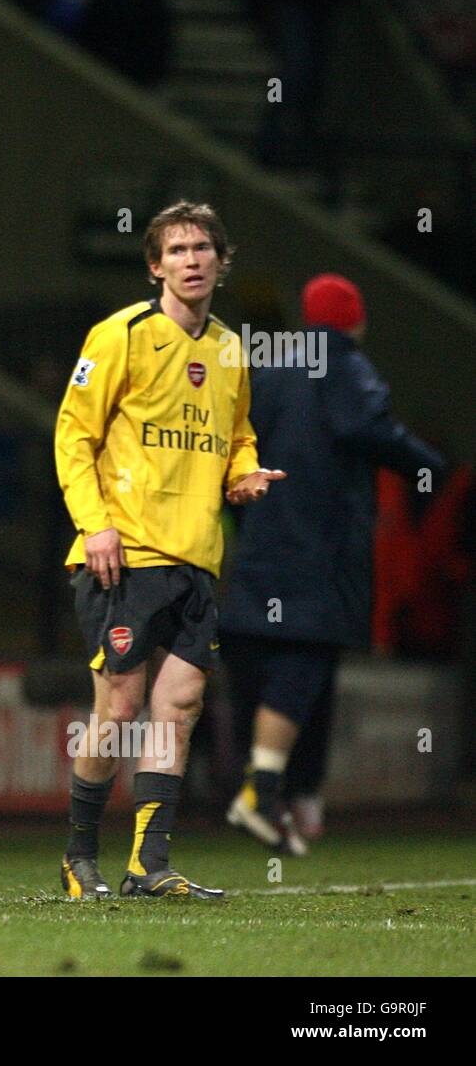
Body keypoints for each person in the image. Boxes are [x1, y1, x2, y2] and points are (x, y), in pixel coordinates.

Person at [54, 200, 284, 901]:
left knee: (179, 707)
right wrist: (95, 523)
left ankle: (147, 865)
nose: (191, 260)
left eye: (202, 248)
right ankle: (78, 857)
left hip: (196, 558)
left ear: (221, 260)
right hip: (124, 552)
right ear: (155, 264)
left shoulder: (228, 349)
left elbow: (237, 431)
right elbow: (73, 435)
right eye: (177, 249)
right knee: (119, 709)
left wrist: (243, 470)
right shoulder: (119, 335)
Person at [221, 273, 445, 852]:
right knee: (307, 659)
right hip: (322, 543)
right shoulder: (345, 363)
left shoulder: (271, 368)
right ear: (355, 320)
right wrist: (428, 464)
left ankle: (285, 796)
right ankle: (267, 789)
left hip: (264, 538)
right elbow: (363, 425)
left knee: (272, 663)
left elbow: (238, 442)